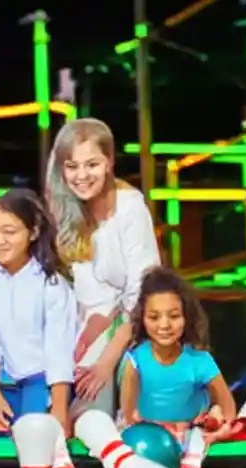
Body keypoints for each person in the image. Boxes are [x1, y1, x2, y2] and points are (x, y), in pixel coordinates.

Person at [44, 118, 162, 414]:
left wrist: (104, 363)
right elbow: (86, 300)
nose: (81, 176)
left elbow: (142, 298)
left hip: (135, 329)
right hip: (91, 328)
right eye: (72, 167)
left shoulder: (130, 208)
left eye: (92, 164)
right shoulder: (66, 211)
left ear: (109, 161)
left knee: (92, 396)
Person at [0, 188, 78, 437]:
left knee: (34, 443)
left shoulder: (52, 284)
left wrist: (60, 409)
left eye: (9, 232)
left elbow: (59, 351)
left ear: (33, 233)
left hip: (42, 383)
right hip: (5, 381)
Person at [118, 267, 237, 439]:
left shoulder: (200, 360)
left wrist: (214, 420)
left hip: (194, 439)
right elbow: (130, 417)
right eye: (154, 317)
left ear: (186, 317)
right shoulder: (135, 360)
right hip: (149, 441)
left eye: (173, 316)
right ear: (142, 318)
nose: (164, 325)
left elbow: (228, 411)